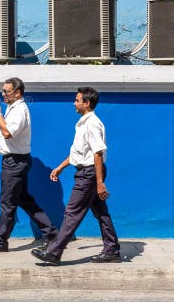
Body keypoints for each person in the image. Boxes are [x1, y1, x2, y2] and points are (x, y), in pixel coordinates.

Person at [32, 87, 121, 266]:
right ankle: (111, 249)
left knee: (72, 212)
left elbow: (97, 153)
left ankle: (54, 252)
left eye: (77, 100)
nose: (74, 103)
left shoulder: (92, 123)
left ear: (86, 103)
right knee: (101, 212)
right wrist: (60, 167)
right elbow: (77, 154)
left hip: (89, 173)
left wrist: (99, 182)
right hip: (88, 172)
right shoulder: (83, 123)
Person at [0, 78, 58, 254]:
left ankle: (0, 242)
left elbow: (7, 133)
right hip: (13, 160)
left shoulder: (20, 110)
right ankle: (51, 234)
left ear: (18, 93)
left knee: (7, 203)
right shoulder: (12, 109)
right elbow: (7, 140)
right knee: (24, 200)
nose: (3, 94)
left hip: (15, 163)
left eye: (6, 91)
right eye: (3, 91)